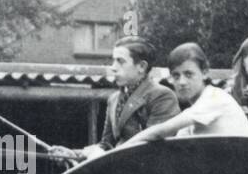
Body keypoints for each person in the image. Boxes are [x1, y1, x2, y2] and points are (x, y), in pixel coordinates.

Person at [48, 36, 179, 163]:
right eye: (113, 60)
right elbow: (106, 145)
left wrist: (105, 156)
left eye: (120, 61)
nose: (113, 67)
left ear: (142, 67)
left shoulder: (162, 96)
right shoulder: (114, 99)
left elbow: (155, 148)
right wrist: (75, 154)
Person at [122, 42, 248, 143]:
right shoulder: (193, 114)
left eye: (188, 74)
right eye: (176, 76)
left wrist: (117, 153)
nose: (182, 82)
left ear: (205, 72)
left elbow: (160, 131)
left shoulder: (214, 97)